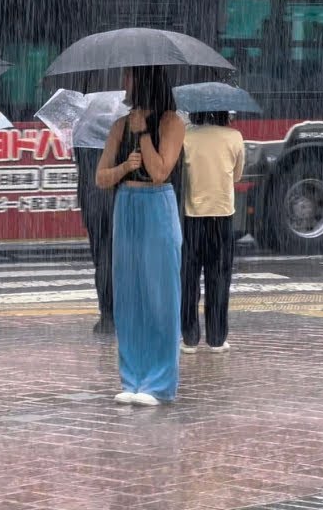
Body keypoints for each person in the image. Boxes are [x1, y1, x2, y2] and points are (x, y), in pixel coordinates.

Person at [96, 66, 185, 407]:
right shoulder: (119, 125)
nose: (124, 83)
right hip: (126, 205)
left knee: (159, 297)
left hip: (156, 205)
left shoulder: (172, 123)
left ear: (147, 80)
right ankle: (132, 378)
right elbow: (102, 177)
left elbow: (162, 171)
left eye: (130, 76)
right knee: (129, 296)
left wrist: (144, 133)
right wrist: (125, 167)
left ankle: (159, 383)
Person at [180, 111, 244, 354]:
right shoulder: (234, 136)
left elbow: (181, 177)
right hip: (222, 215)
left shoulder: (185, 136)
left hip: (191, 216)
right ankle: (217, 338)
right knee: (219, 277)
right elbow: (237, 175)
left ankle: (190, 337)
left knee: (189, 279)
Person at [75, 144, 116, 334]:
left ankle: (107, 316)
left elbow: (82, 169)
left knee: (102, 260)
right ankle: (123, 311)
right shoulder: (122, 129)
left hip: (92, 200)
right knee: (123, 259)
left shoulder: (82, 131)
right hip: (118, 197)